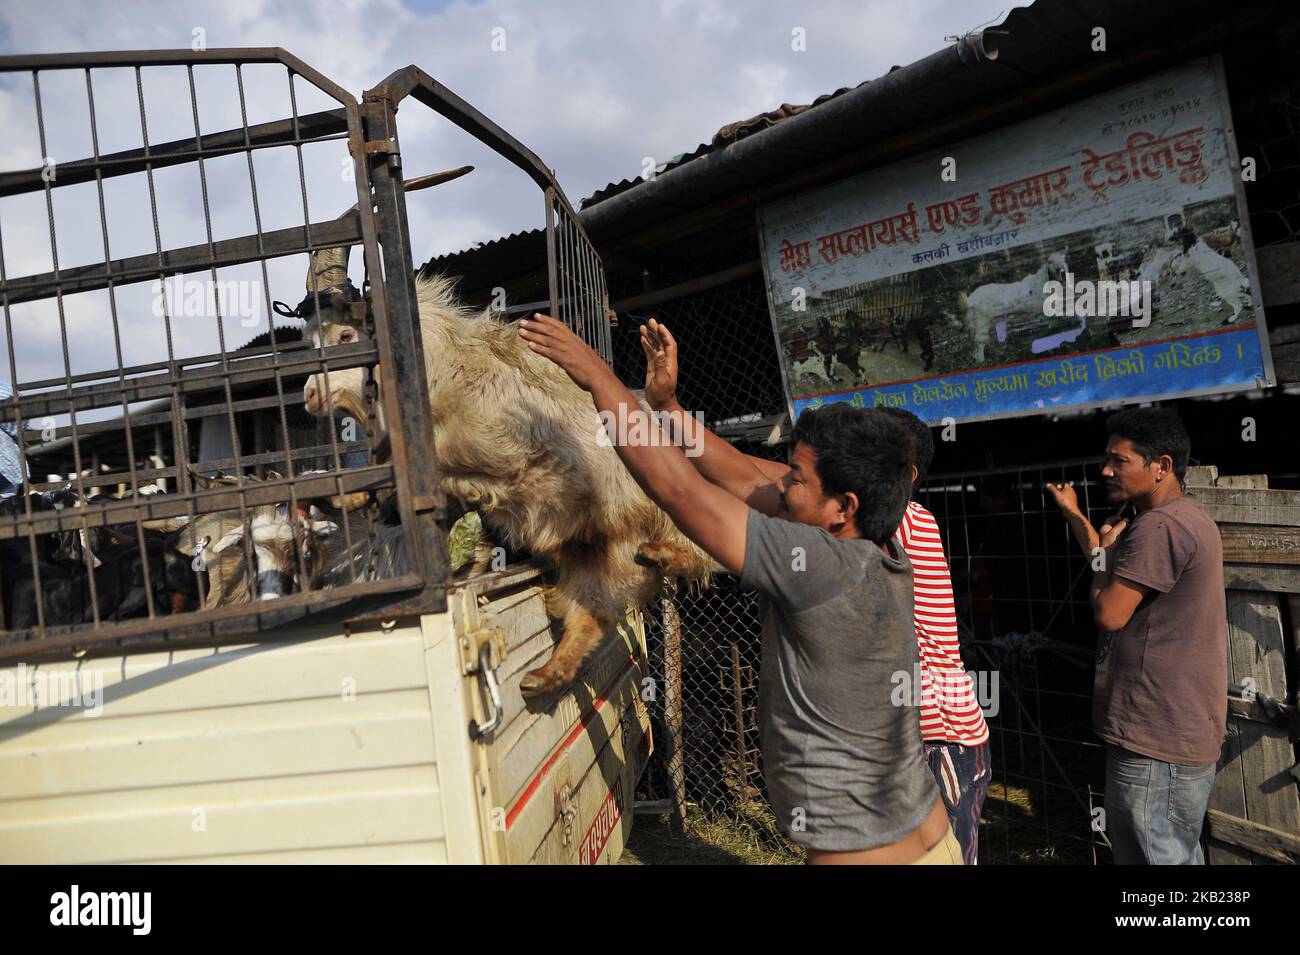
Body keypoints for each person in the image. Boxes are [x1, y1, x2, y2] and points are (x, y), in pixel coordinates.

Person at [519, 313, 955, 864]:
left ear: (844, 508)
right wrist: (669, 408)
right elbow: (745, 478)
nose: (783, 482)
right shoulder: (883, 548)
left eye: (797, 477)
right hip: (934, 840)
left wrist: (598, 377)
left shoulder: (816, 564)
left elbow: (678, 490)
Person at [1046, 408, 1226, 864]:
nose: (1105, 469)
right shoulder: (1186, 518)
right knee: (1176, 854)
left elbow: (1108, 610)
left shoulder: (1159, 527)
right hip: (1176, 731)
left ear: (1161, 466)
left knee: (1153, 857)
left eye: (1118, 460)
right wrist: (1077, 518)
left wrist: (1103, 553)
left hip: (1154, 733)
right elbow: (1110, 564)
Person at [879, 407, 991, 865]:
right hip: (926, 733)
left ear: (905, 474)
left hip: (941, 737)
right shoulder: (898, 520)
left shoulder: (902, 518)